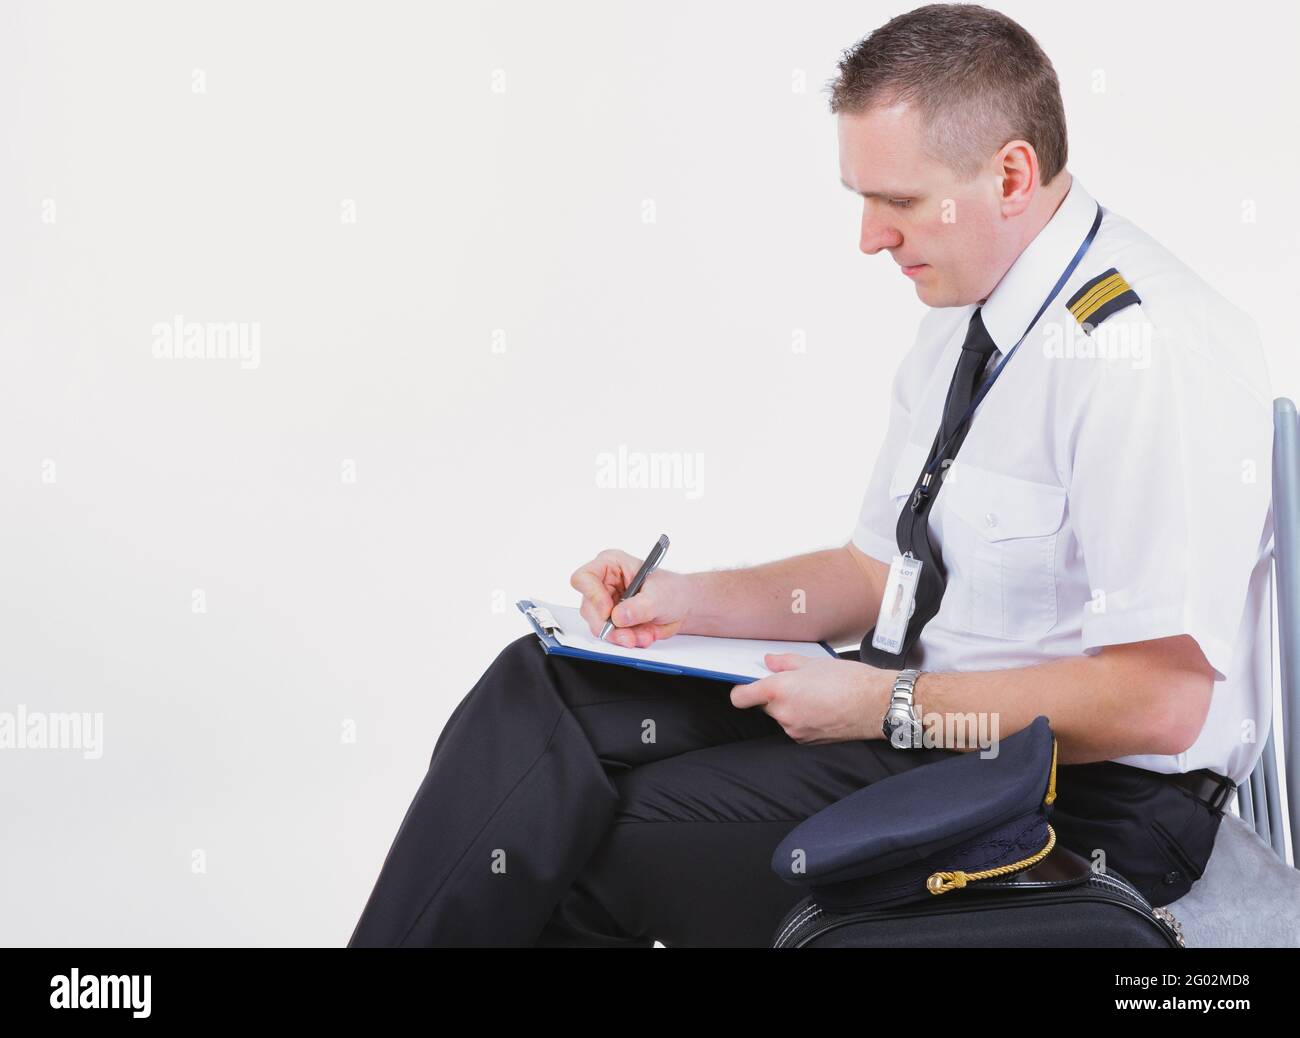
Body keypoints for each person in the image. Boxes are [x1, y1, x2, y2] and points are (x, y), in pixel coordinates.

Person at [347, 3, 1273, 948]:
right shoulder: (968, 314)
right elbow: (874, 579)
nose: (870, 238)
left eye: (899, 202)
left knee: (584, 834)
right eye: (861, 200)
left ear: (1010, 174)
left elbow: (1161, 700)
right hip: (920, 725)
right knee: (540, 688)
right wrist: (686, 600)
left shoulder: (1140, 355)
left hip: (1062, 796)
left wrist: (886, 706)